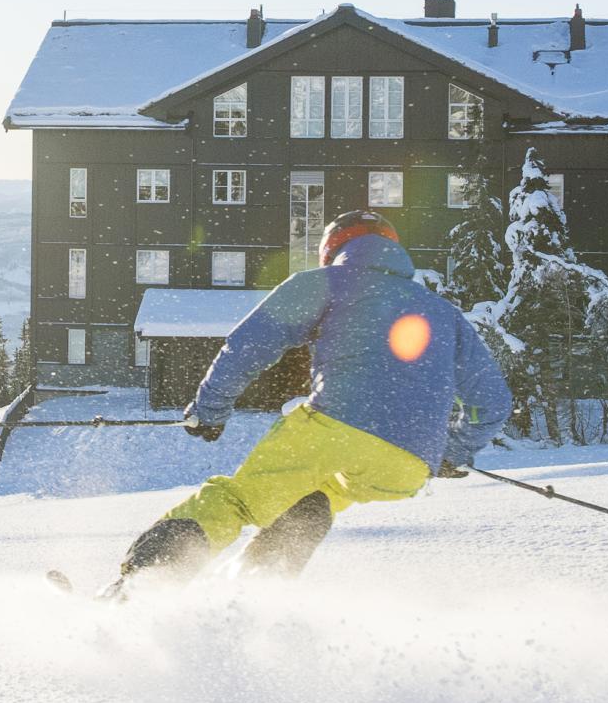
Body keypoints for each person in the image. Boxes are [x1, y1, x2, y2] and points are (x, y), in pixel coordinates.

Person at [115, 210, 512, 588]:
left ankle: (141, 583)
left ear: (332, 248)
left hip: (335, 428)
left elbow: (248, 346)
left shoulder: (326, 283)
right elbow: (492, 402)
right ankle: (251, 586)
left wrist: (210, 409)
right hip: (406, 465)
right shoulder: (443, 312)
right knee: (314, 497)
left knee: (236, 501)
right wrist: (450, 452)